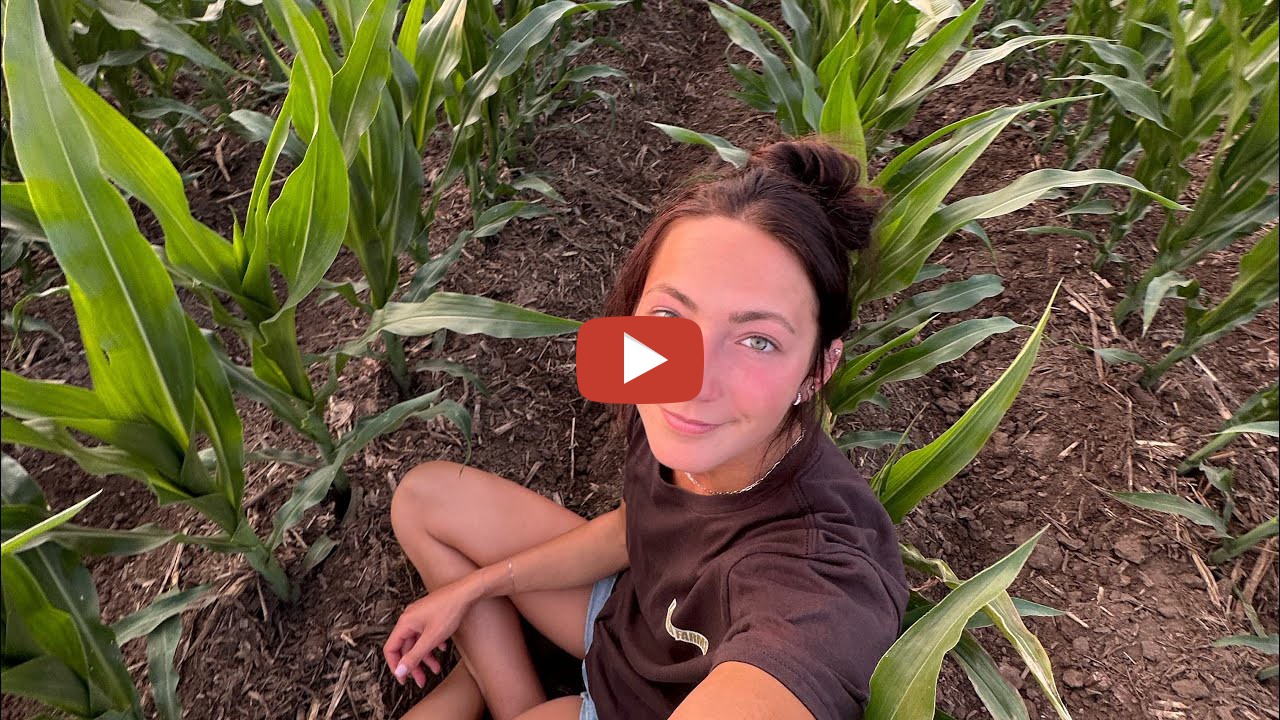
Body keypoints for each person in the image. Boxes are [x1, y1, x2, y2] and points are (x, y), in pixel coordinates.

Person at [384, 137, 910, 720]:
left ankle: (487, 681)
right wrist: (479, 587)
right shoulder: (661, 380)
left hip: (640, 704)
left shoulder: (816, 575)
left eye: (758, 341)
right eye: (669, 315)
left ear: (818, 369)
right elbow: (634, 525)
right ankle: (511, 695)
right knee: (424, 497)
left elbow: (786, 674)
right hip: (627, 618)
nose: (692, 382)